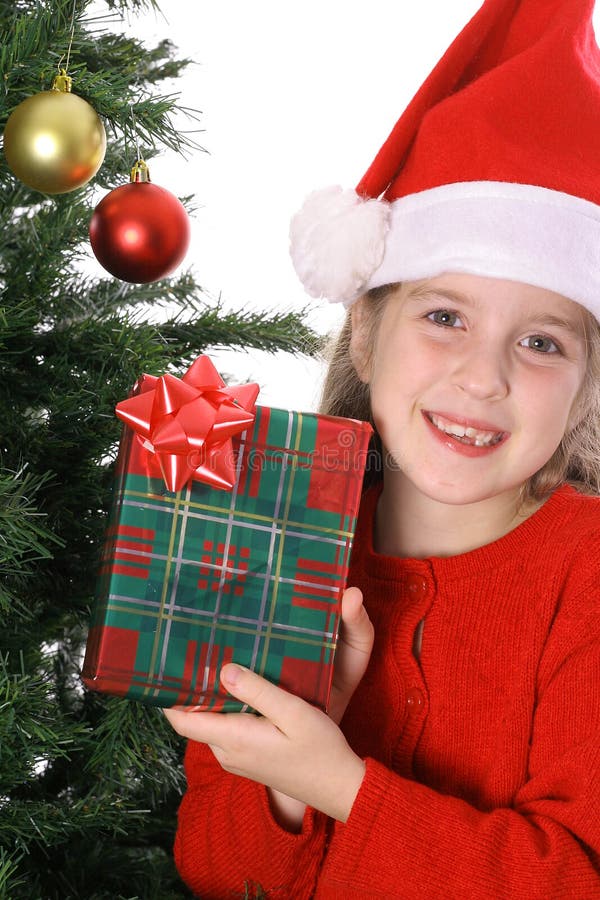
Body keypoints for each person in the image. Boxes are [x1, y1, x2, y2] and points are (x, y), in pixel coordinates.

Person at [163, 0, 600, 896]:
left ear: (587, 385)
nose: (484, 377)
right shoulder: (270, 541)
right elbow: (217, 873)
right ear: (365, 334)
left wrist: (340, 784)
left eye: (543, 341)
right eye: (444, 317)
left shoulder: (588, 576)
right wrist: (287, 781)